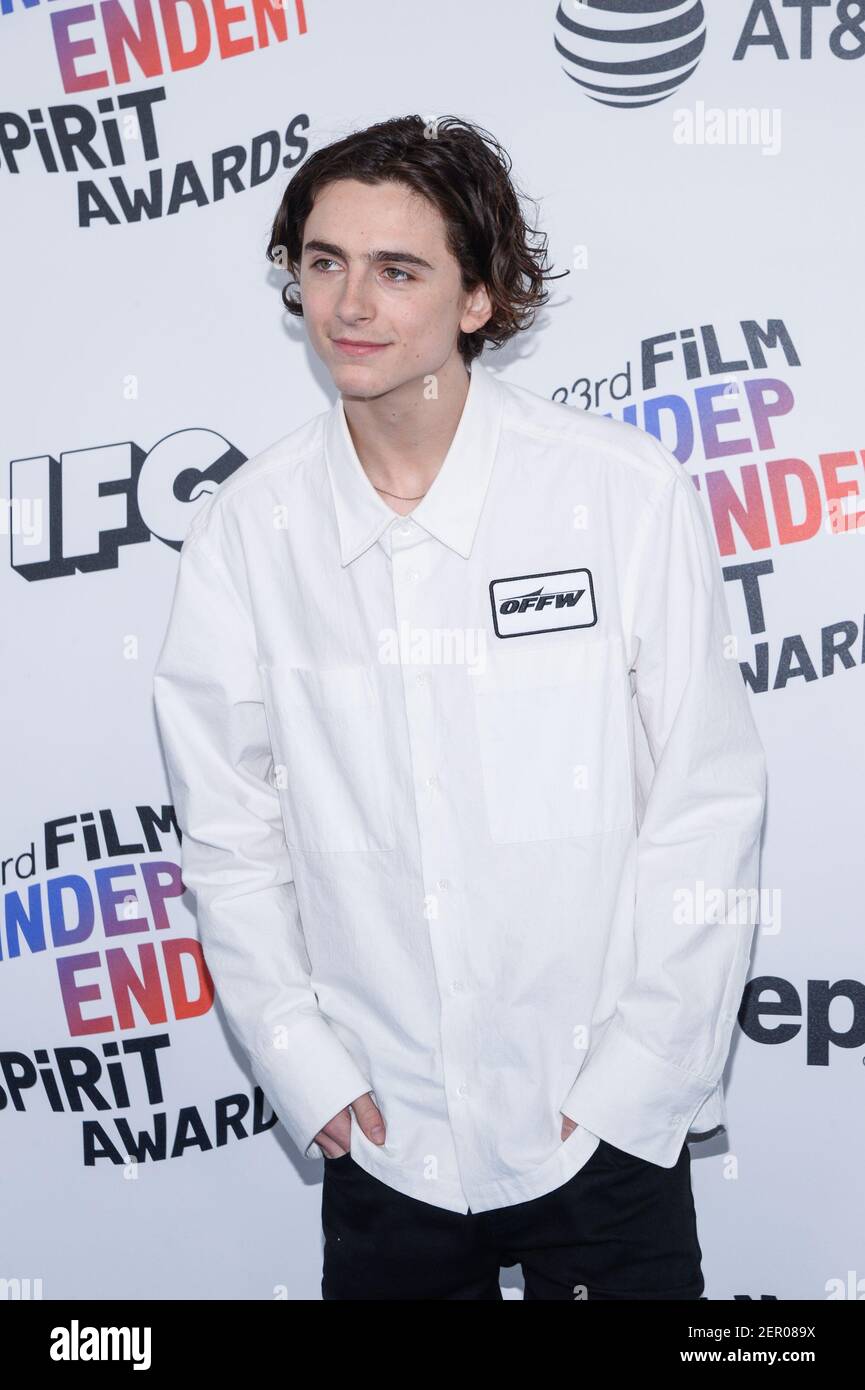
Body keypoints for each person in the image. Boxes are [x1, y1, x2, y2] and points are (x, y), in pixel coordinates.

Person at [153, 114, 767, 1301]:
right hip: (385, 1143)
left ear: (478, 297)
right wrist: (304, 1066)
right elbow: (230, 833)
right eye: (324, 262)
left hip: (604, 1135)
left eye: (397, 270)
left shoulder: (618, 494)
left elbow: (707, 803)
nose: (349, 304)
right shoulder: (247, 531)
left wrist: (640, 1080)